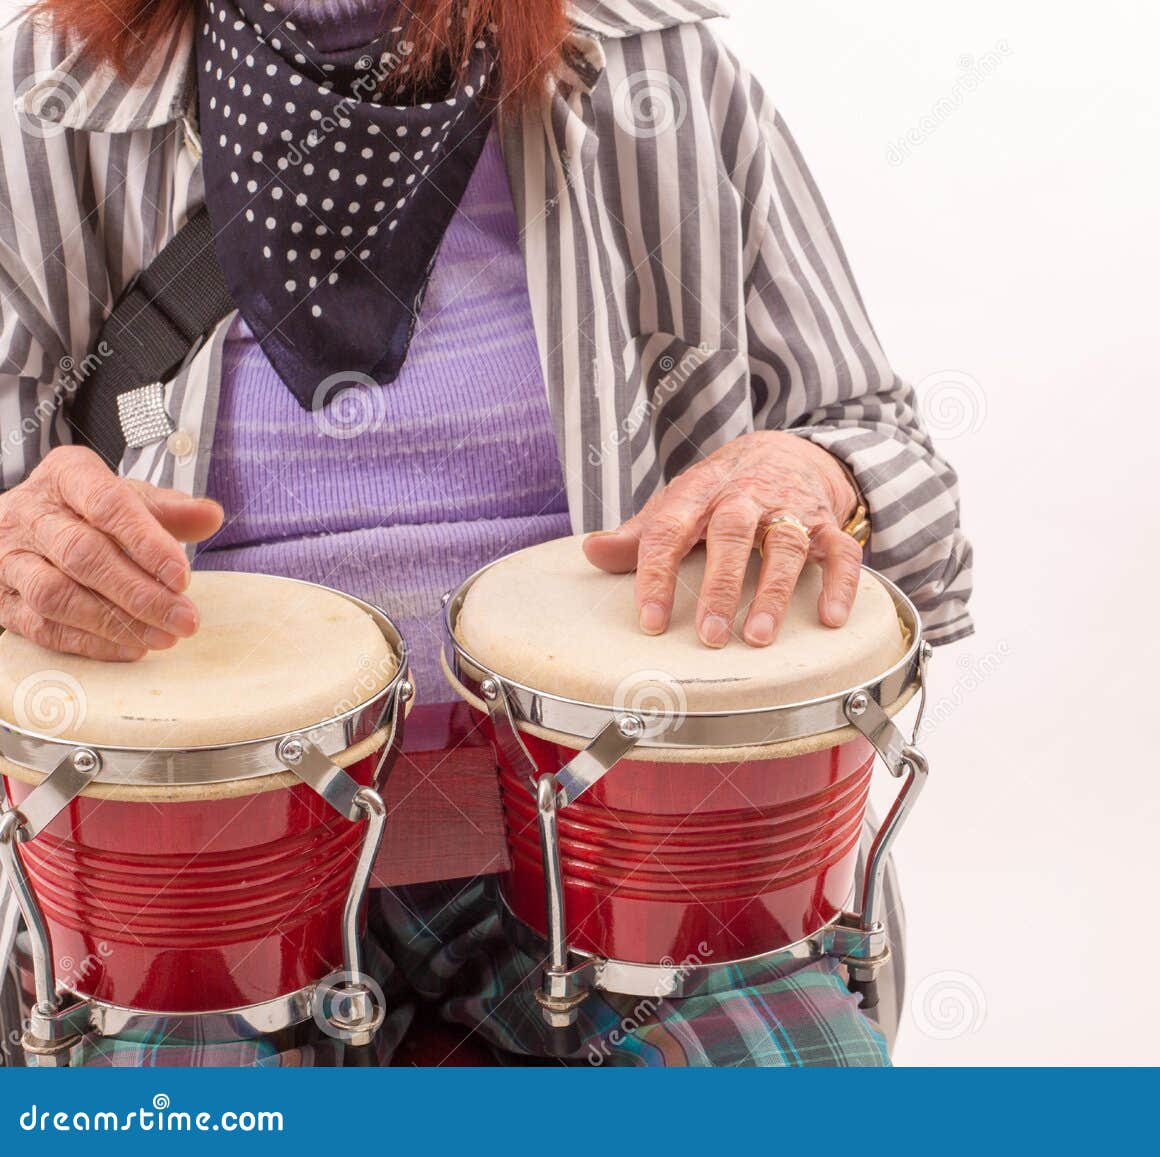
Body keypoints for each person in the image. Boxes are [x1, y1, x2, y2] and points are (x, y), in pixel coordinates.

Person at [0, 0, 973, 1066]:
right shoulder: (50, 94)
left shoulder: (661, 66)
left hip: (645, 830)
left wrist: (812, 473)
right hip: (187, 855)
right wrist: (24, 548)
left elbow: (886, 452)